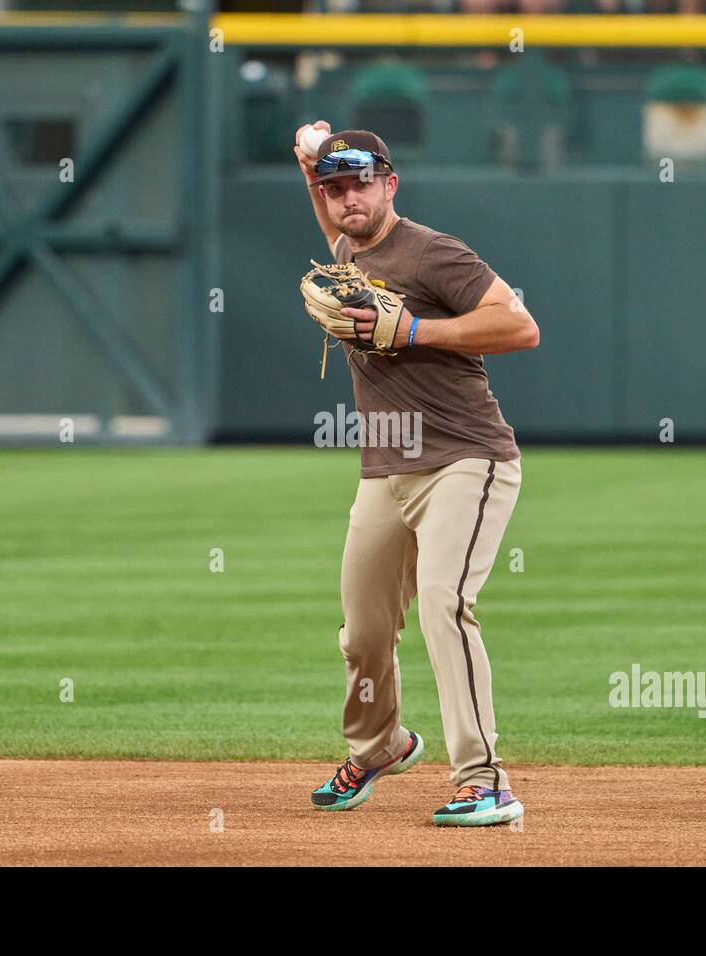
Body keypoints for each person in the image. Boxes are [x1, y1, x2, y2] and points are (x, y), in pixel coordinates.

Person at [295, 124, 540, 827]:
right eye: (334, 189)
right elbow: (337, 218)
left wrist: (414, 332)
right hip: (385, 471)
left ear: (390, 183)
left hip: (467, 458)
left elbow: (519, 326)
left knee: (442, 603)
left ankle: (484, 778)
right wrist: (309, 165)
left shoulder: (433, 253)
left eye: (360, 184)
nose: (348, 200)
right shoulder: (347, 242)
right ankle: (380, 746)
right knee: (363, 632)